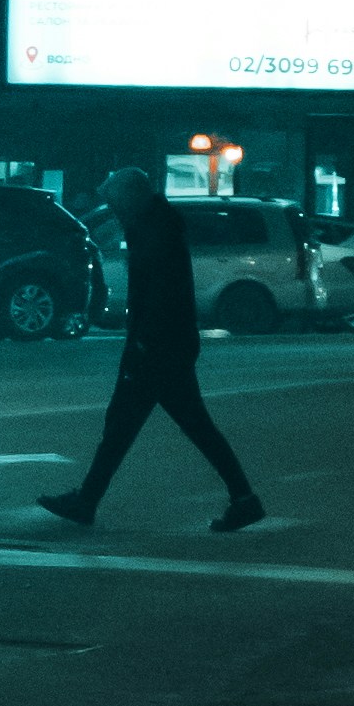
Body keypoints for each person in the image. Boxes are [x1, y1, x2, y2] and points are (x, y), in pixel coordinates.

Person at [41, 169, 263, 533]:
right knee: (170, 426)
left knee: (128, 427)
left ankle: (87, 501)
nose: (112, 209)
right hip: (166, 344)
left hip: (158, 347)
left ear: (129, 199)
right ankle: (243, 498)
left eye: (114, 202)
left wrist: (143, 342)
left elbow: (158, 293)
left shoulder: (153, 231)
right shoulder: (157, 225)